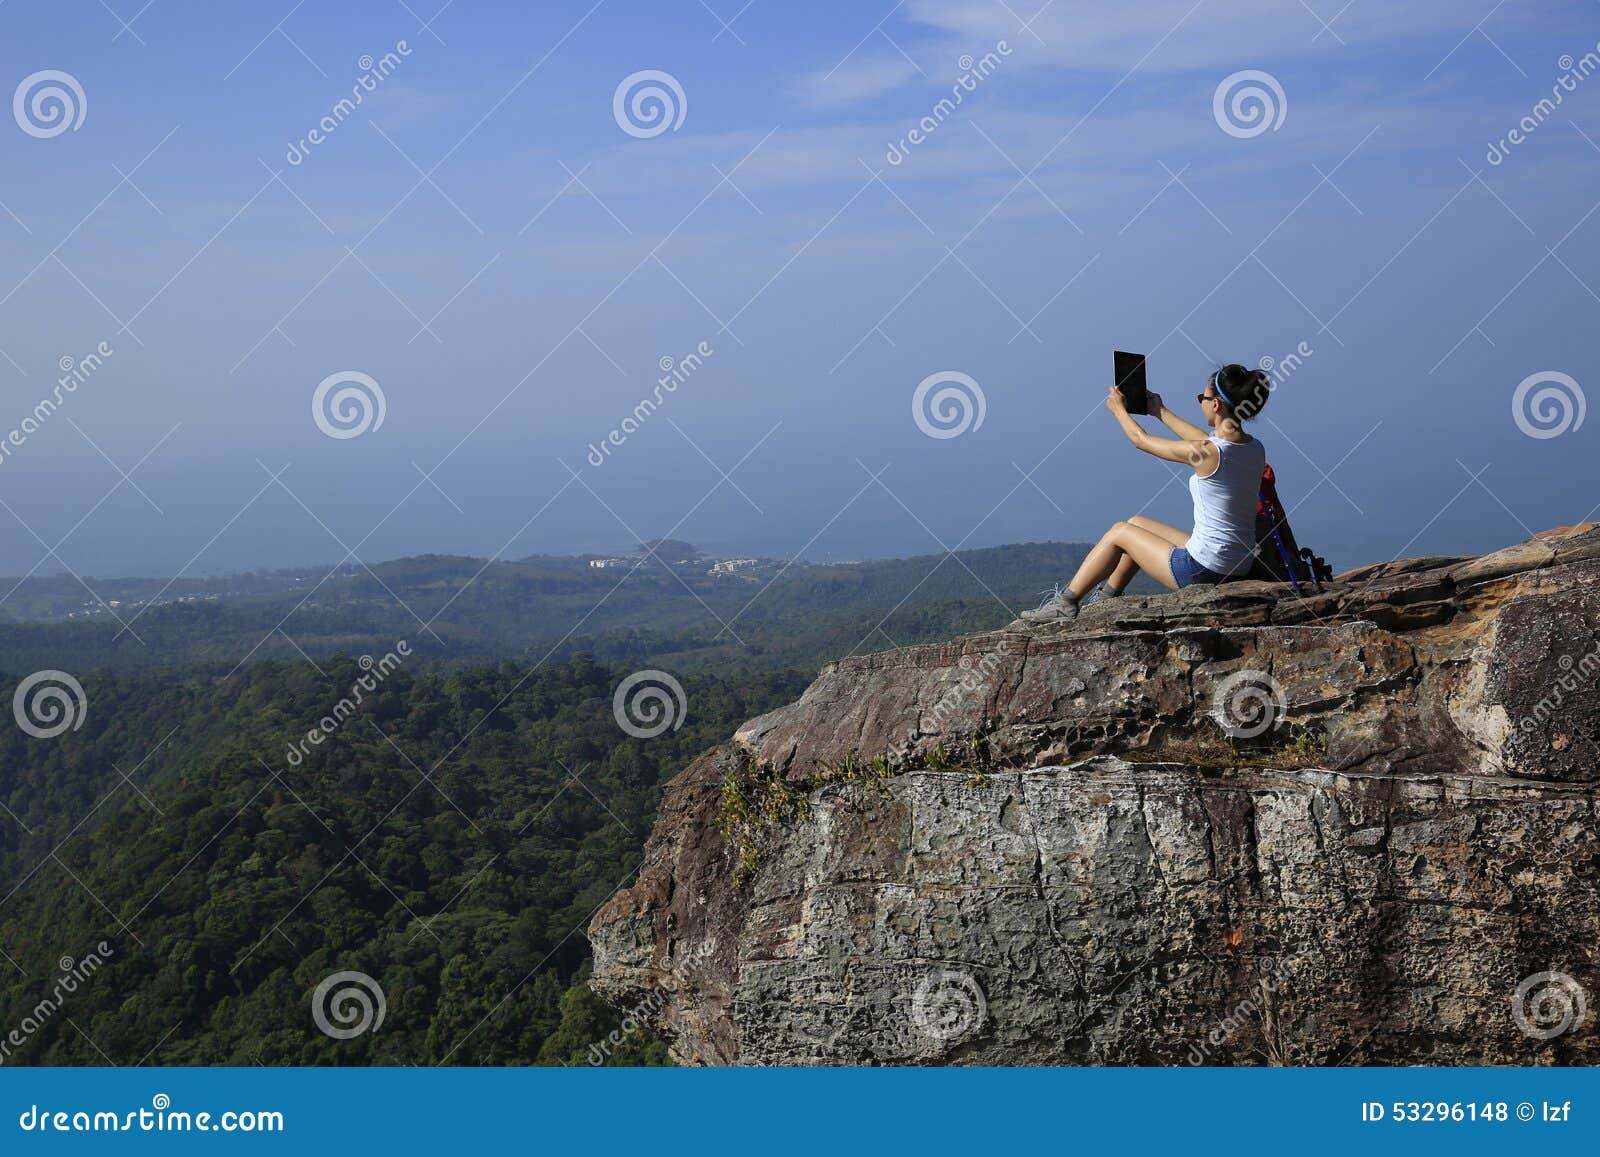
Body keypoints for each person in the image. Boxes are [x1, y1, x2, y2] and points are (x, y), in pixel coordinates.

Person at [1020, 363, 1272, 625]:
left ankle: (1066, 604)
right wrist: (1158, 410)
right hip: (1237, 564)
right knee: (1137, 524)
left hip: (1204, 571)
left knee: (1119, 532)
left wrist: (1118, 410)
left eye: (1203, 398)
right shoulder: (1254, 448)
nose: (1201, 403)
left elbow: (1141, 440)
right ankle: (1106, 598)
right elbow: (1204, 440)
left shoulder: (1209, 453)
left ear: (1216, 405)